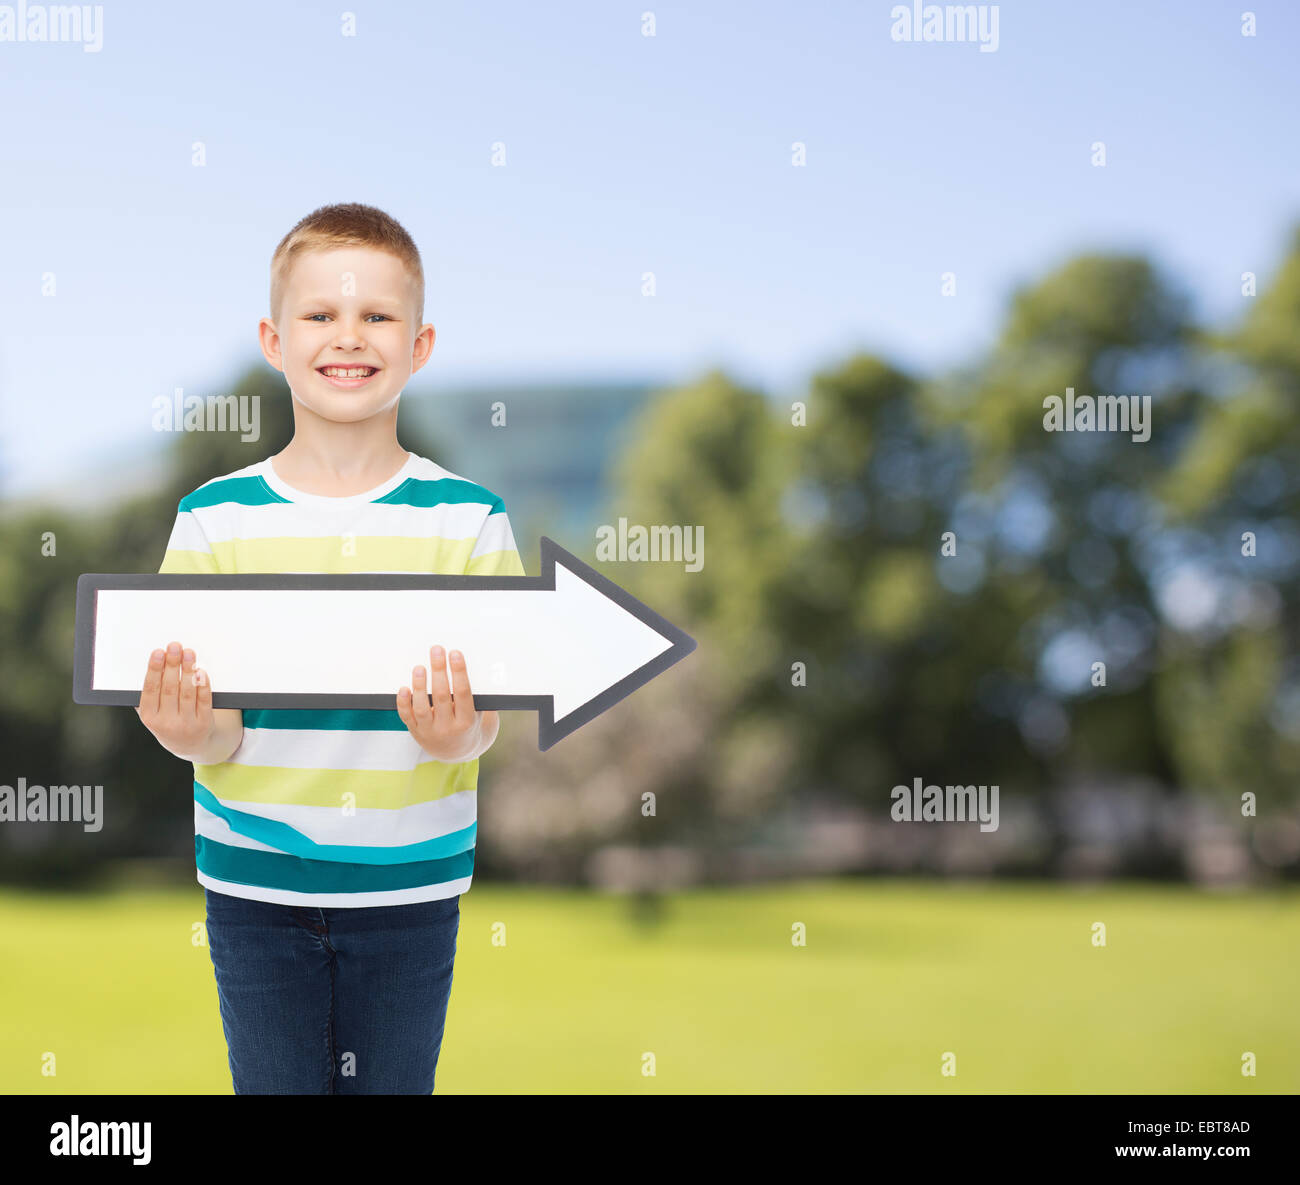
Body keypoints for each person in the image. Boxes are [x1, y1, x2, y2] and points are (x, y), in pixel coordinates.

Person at [134, 202, 525, 1094]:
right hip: (255, 892)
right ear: (275, 339)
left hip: (410, 895)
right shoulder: (212, 519)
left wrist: (454, 735)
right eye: (321, 315)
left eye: (378, 316)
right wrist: (187, 731)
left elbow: (487, 722)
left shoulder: (470, 519)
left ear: (420, 344)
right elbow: (215, 729)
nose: (349, 336)